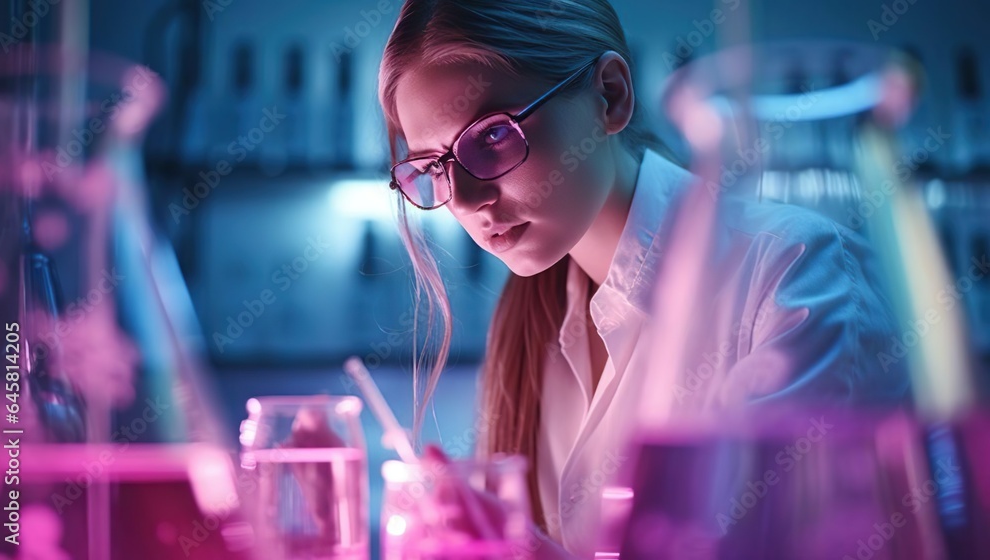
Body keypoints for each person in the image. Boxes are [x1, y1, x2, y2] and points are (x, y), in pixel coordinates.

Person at [377, 0, 911, 557]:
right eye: (433, 166)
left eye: (491, 137)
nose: (464, 199)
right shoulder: (530, 320)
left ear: (610, 95)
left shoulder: (795, 270)